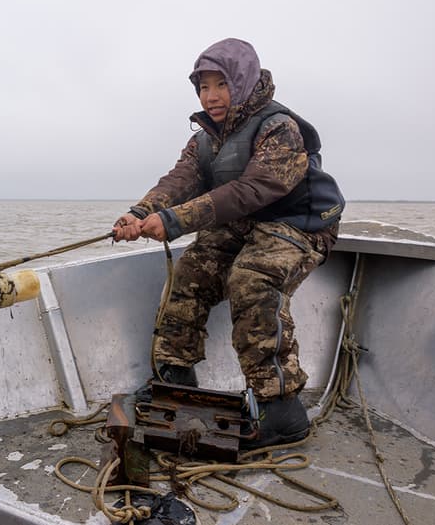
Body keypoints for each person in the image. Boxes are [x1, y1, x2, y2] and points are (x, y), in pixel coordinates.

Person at [112, 38, 344, 449]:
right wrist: (139, 211)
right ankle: (175, 381)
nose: (211, 96)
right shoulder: (204, 137)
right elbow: (180, 180)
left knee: (252, 279)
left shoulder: (280, 128)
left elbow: (251, 190)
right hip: (243, 224)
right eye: (203, 86)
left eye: (221, 84)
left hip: (300, 224)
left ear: (243, 81)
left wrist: (175, 220)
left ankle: (282, 410)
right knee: (190, 272)